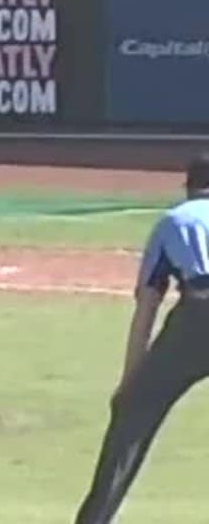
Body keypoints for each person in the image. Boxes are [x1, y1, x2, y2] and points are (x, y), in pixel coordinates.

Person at [73, 154, 209, 524]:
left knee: (133, 413)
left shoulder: (173, 221)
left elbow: (147, 305)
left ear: (189, 186)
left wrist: (129, 383)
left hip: (198, 318)